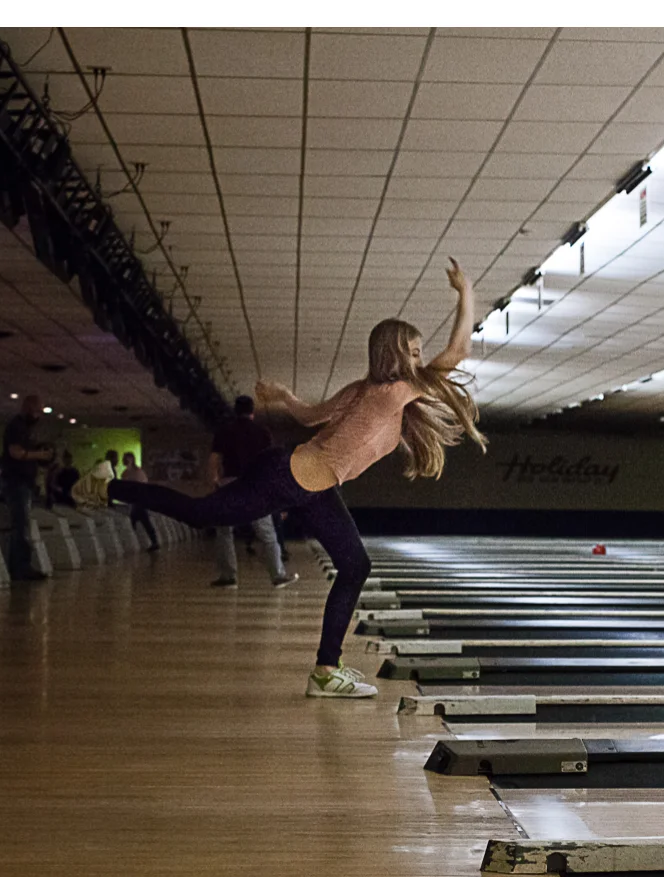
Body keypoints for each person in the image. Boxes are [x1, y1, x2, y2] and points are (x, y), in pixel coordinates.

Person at [98, 258, 484, 699]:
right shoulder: (393, 391)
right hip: (289, 480)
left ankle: (326, 670)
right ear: (393, 354)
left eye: (419, 353)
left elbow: (310, 416)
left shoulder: (366, 391)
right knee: (200, 514)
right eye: (413, 352)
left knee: (355, 565)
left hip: (310, 485)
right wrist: (466, 293)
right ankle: (108, 485)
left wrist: (283, 396)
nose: (419, 359)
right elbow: (458, 354)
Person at [206, 396, 296, 589]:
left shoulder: (224, 432)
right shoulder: (262, 432)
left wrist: (215, 480)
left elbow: (214, 459)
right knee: (267, 533)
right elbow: (271, 462)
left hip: (230, 484)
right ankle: (278, 576)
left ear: (235, 411)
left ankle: (228, 577)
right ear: (252, 413)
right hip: (255, 485)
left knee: (224, 531)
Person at [2, 394, 56, 580]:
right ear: (27, 408)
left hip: (23, 483)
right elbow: (16, 453)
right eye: (36, 411)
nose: (38, 415)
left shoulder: (24, 428)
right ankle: (20, 567)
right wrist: (39, 455)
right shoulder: (16, 427)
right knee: (20, 525)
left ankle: (20, 565)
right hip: (16, 482)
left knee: (22, 525)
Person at [118, 451, 161, 552]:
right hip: (135, 501)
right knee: (142, 521)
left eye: (127, 458)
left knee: (139, 521)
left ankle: (150, 542)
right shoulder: (125, 473)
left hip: (139, 501)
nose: (125, 460)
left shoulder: (137, 472)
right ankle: (152, 541)